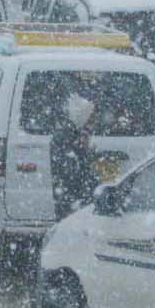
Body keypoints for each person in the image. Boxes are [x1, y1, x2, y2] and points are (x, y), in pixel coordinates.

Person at [50, 91, 99, 220]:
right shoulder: (65, 140)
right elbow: (68, 176)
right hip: (73, 207)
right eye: (91, 120)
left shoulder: (71, 138)